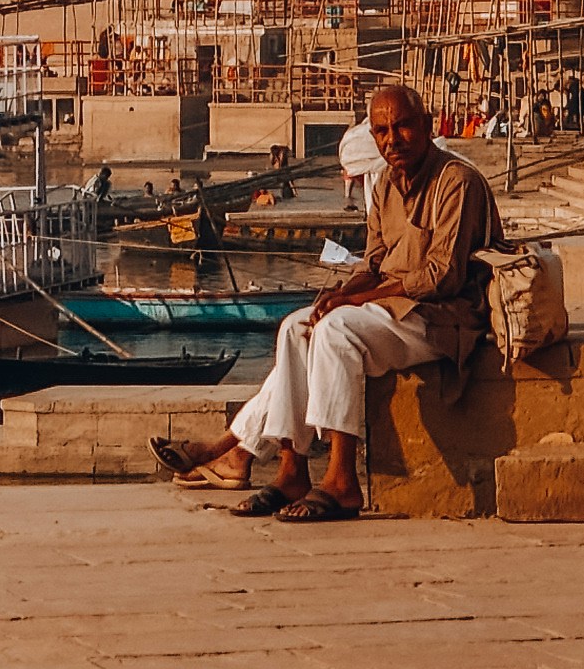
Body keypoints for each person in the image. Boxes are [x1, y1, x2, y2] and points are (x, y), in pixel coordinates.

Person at [154, 81, 494, 522]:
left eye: (403, 127)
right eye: (382, 131)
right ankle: (291, 467)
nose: (393, 140)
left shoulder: (457, 182)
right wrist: (340, 294)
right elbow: (374, 261)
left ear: (426, 127)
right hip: (391, 312)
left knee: (336, 331)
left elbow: (442, 277)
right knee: (298, 326)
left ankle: (340, 479)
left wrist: (361, 300)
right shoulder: (386, 186)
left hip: (442, 319)